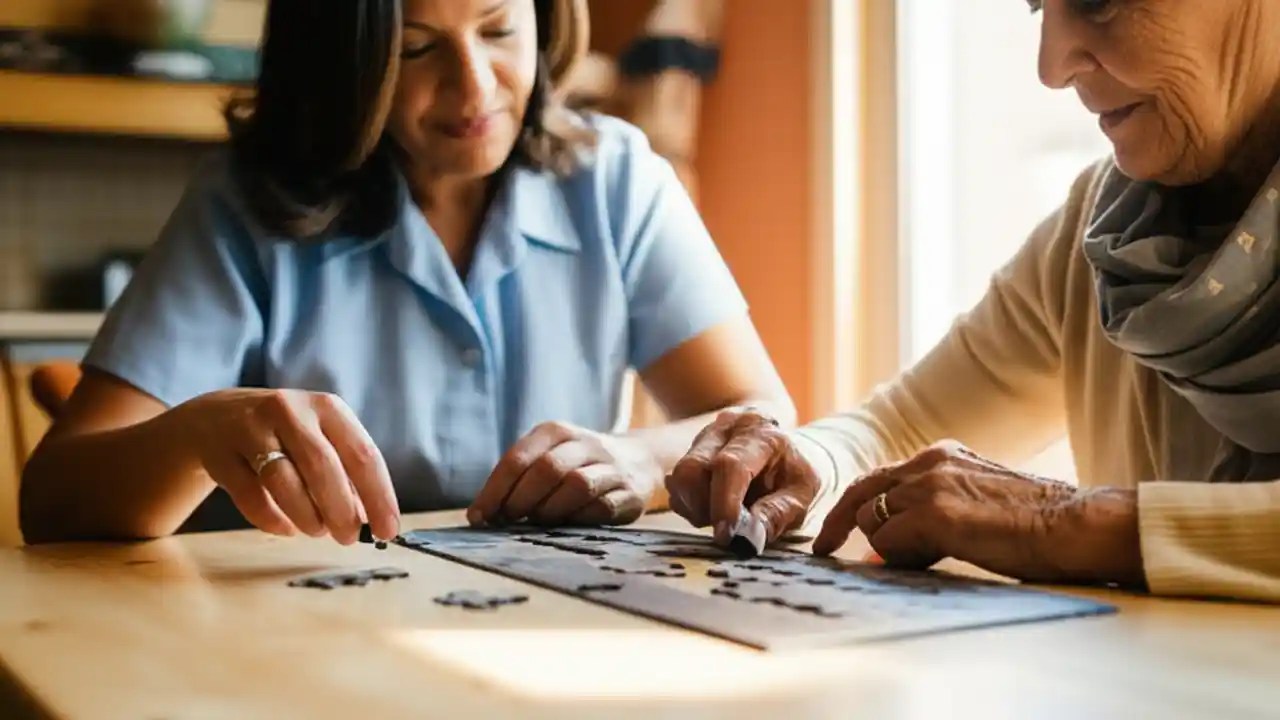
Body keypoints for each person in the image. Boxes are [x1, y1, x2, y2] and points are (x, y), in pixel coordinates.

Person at [19, 0, 792, 545]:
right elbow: (52, 501)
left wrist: (642, 458)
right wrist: (196, 431)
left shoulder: (616, 178)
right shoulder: (246, 203)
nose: (474, 87)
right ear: (341, 63)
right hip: (280, 654)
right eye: (416, 48)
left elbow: (763, 418)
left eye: (497, 29)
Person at [667, 0, 1280, 603]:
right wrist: (807, 461)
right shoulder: (1101, 233)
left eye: (1098, 2)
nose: (1051, 66)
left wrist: (1068, 522)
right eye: (1041, 6)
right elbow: (898, 430)